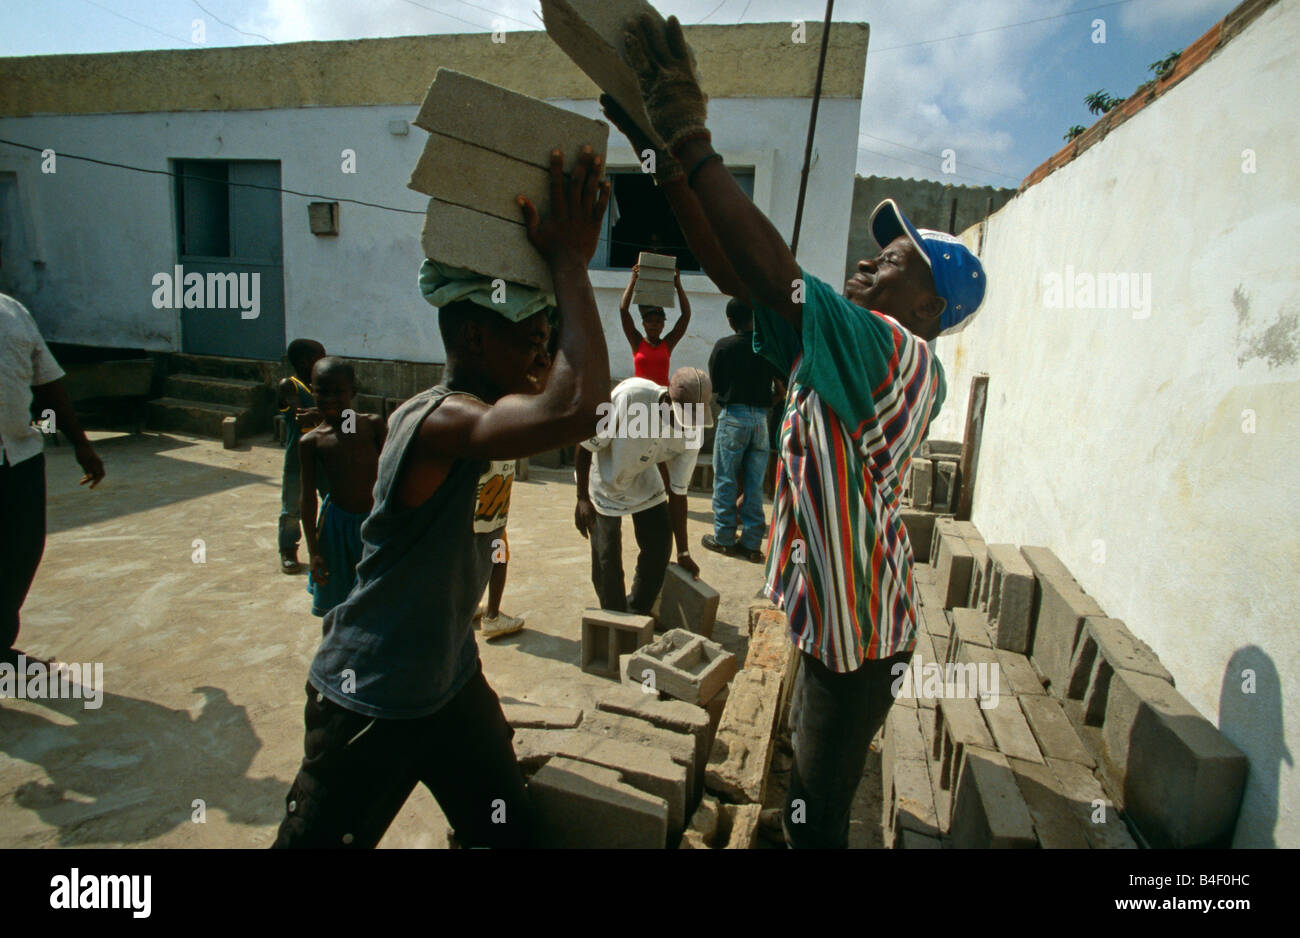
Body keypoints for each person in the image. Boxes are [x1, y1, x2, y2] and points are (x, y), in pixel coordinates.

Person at [606, 15, 988, 848]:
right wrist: (671, 171)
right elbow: (740, 275)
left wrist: (693, 140)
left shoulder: (899, 356)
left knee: (818, 807)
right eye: (880, 250)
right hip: (833, 621)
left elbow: (778, 278)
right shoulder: (842, 345)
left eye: (896, 262)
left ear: (927, 309)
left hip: (861, 643)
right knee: (807, 788)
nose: (871, 258)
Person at [273, 145, 611, 849]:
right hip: (368, 699)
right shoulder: (443, 419)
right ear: (474, 337)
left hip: (449, 685)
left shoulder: (482, 419)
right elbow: (578, 408)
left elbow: (567, 410)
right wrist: (570, 264)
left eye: (552, 341)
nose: (547, 360)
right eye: (535, 341)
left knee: (508, 832)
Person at [1, 293, 106, 667]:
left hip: (21, 457)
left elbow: (47, 384)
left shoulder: (13, 312)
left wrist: (81, 444)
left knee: (21, 552)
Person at [574, 367, 710, 616]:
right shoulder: (630, 397)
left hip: (645, 477)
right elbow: (585, 445)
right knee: (607, 559)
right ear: (668, 398)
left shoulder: (693, 432)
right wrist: (582, 497)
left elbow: (678, 494)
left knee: (659, 544)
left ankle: (638, 610)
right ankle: (615, 617)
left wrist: (683, 552)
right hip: (606, 477)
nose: (684, 426)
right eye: (680, 417)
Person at [298, 357, 386, 618]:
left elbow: (393, 473)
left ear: (354, 392)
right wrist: (313, 551)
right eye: (321, 391)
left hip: (374, 523)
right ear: (311, 391)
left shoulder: (372, 425)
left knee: (376, 597)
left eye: (338, 392)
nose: (329, 399)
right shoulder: (311, 441)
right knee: (336, 603)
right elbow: (307, 498)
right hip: (335, 527)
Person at [703, 298, 782, 563]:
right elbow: (781, 390)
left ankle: (724, 538)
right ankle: (751, 545)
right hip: (760, 420)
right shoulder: (766, 347)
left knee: (725, 479)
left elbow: (714, 388)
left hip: (733, 416)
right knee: (754, 483)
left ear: (731, 321)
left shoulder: (724, 347)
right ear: (753, 319)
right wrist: (765, 404)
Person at [276, 338, 326, 574]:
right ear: (306, 361)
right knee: (293, 507)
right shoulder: (290, 385)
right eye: (320, 357)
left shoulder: (324, 385)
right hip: (297, 457)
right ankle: (288, 549)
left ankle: (326, 548)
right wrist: (328, 412)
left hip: (325, 454)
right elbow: (300, 416)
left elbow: (347, 418)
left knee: (330, 503)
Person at [619, 266, 690, 385]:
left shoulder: (667, 344)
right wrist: (633, 280)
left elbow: (686, 315)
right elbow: (623, 310)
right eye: (649, 321)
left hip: (662, 399)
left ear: (663, 325)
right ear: (643, 324)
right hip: (640, 398)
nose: (654, 325)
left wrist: (678, 285)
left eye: (658, 321)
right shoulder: (637, 342)